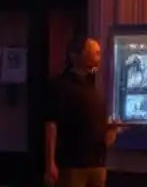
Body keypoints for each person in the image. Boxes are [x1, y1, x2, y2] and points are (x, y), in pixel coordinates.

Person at [45, 37, 120, 187]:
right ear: (76, 55)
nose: (98, 55)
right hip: (73, 165)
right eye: (94, 52)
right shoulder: (62, 86)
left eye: (99, 52)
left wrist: (112, 130)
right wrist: (50, 163)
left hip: (97, 163)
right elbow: (51, 125)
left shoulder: (93, 88)